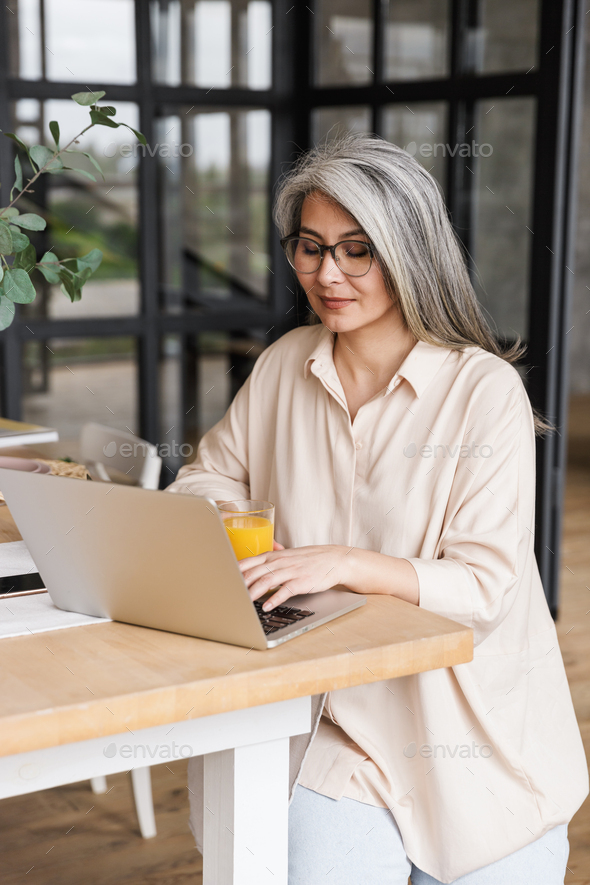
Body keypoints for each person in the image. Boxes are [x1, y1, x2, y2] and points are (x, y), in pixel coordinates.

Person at [167, 134, 588, 884]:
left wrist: (343, 563)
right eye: (312, 247)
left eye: (358, 250)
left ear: (408, 252)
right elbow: (204, 480)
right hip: (325, 718)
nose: (328, 274)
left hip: (464, 730)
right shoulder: (282, 366)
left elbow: (484, 588)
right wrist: (243, 531)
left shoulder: (482, 390)